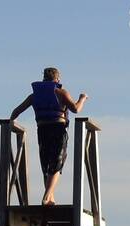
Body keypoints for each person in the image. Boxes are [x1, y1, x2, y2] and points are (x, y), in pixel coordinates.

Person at [10, 67, 89, 206]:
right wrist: (82, 98)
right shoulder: (60, 92)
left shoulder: (34, 96)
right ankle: (47, 196)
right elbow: (76, 109)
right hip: (58, 129)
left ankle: (50, 197)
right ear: (57, 79)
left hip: (42, 129)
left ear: (43, 79)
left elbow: (16, 111)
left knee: (46, 163)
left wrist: (11, 123)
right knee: (57, 163)